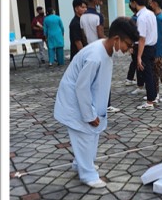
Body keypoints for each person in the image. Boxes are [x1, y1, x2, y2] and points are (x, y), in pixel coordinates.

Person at [54, 18, 139, 189]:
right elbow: (82, 87)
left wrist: (97, 112)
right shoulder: (95, 56)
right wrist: (89, 114)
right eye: (127, 45)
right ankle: (88, 175)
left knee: (91, 134)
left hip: (87, 102)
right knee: (84, 136)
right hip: (75, 102)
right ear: (116, 39)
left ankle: (81, 164)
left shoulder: (105, 49)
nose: (128, 50)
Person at [132, 0, 160, 109]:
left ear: (134, 3)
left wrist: (138, 56)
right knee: (151, 74)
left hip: (145, 48)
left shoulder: (142, 17)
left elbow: (142, 38)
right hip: (153, 47)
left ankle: (149, 102)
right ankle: (153, 97)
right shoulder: (151, 14)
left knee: (147, 74)